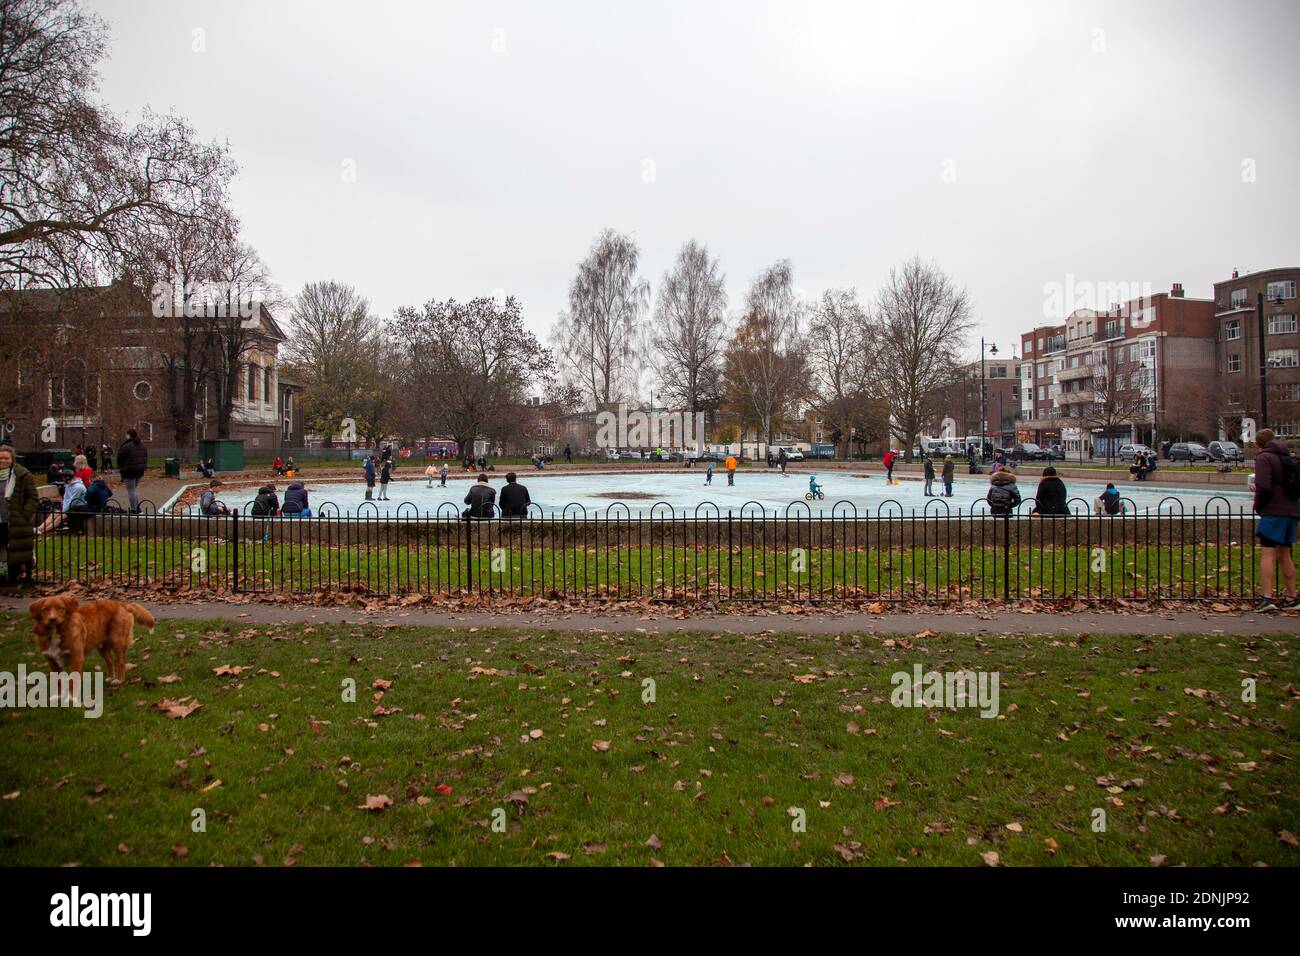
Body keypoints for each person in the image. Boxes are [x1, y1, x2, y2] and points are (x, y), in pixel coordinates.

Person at [1251, 428, 1300, 611]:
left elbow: (1263, 486)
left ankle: (1267, 597)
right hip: (1292, 511)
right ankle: (1292, 597)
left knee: (1268, 554)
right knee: (1285, 555)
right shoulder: (1287, 456)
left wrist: (1258, 505)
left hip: (1273, 512)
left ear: (1258, 444)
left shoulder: (1265, 458)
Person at [1, 444, 40, 585]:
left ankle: (17, 578)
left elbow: (33, 497)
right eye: (0, 458)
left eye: (6, 458)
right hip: (1, 519)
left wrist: (25, 515)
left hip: (16, 521)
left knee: (18, 553)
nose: (3, 461)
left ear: (12, 459)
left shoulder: (22, 475)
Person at [117, 427, 147, 514]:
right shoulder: (142, 445)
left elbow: (120, 458)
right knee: (133, 490)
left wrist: (121, 467)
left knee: (131, 490)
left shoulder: (127, 446)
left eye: (126, 434)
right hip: (139, 471)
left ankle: (134, 510)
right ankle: (137, 508)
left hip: (129, 471)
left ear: (129, 435)